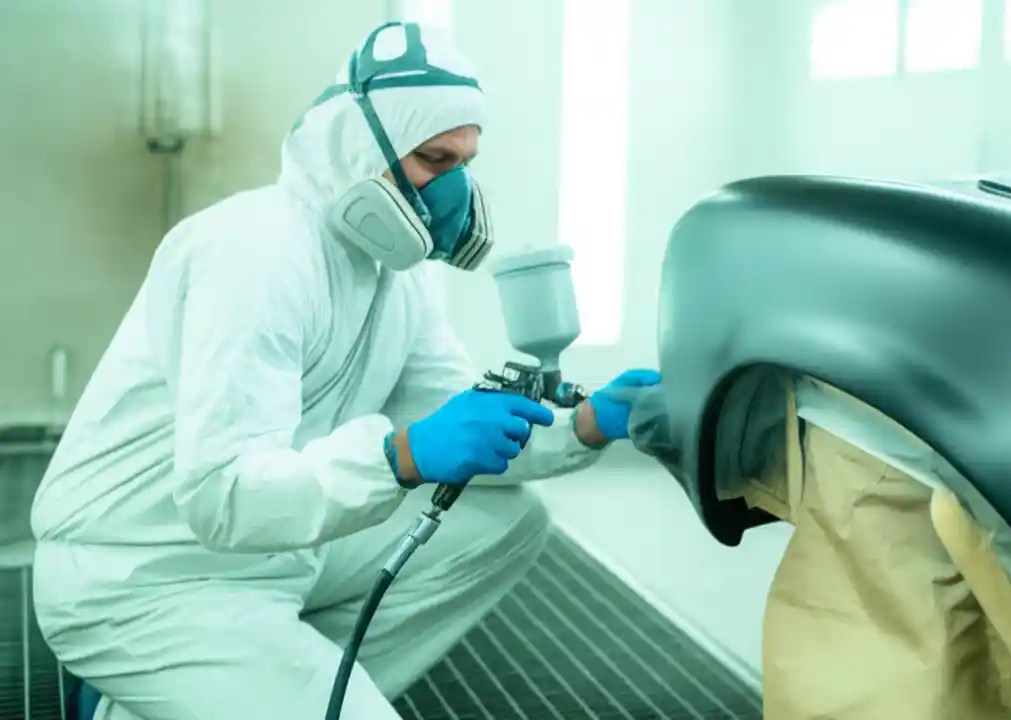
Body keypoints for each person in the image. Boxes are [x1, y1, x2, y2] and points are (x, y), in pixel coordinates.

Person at [29, 22, 659, 720]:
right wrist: (400, 455)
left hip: (278, 551)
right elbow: (219, 495)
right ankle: (171, 686)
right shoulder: (256, 253)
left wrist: (586, 424)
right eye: (433, 159)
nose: (452, 192)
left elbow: (450, 408)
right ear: (361, 149)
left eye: (463, 163)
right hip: (144, 575)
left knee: (505, 521)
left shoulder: (400, 274)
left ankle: (245, 687)